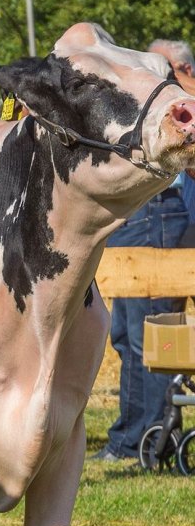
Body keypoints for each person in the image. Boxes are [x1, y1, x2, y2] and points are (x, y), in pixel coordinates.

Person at [91, 43, 193, 463]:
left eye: (159, 66)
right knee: (124, 335)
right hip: (135, 212)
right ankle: (132, 433)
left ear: (182, 67)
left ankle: (145, 438)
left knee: (148, 337)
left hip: (158, 214)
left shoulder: (183, 106)